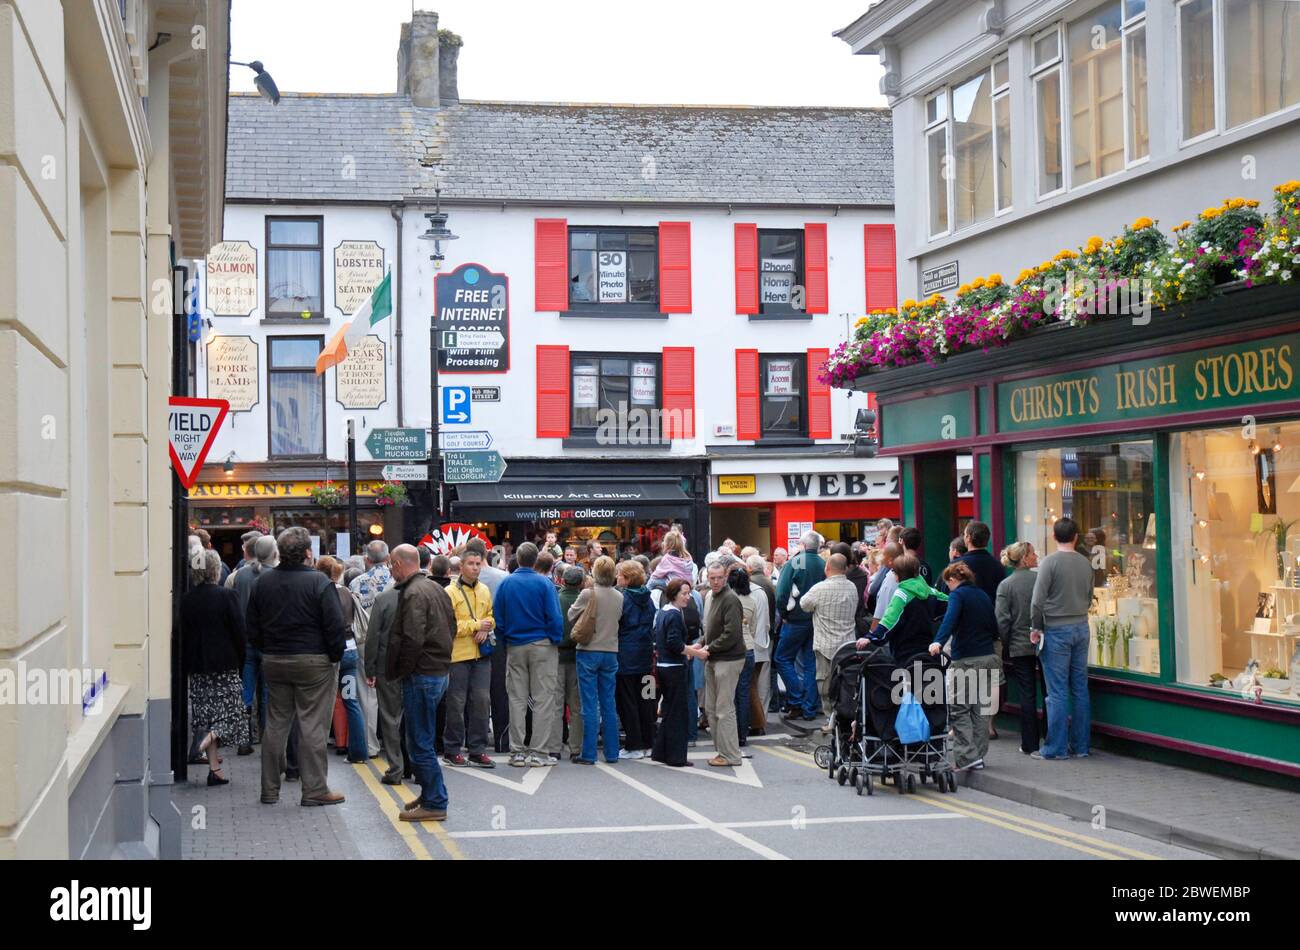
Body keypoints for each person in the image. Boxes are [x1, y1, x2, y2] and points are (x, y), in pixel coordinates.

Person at [246, 526, 348, 807]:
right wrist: (333, 656)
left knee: (276, 724)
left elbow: (251, 628)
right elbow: (334, 626)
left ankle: (269, 790)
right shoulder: (320, 583)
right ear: (307, 553)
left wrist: (266, 649)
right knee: (312, 725)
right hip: (314, 661)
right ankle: (314, 789)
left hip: (275, 659)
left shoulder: (262, 583)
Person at [386, 545, 456, 821]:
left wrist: (402, 670)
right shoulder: (435, 588)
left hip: (422, 673)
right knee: (420, 736)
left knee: (419, 741)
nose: (391, 571)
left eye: (392, 566)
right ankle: (430, 793)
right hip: (437, 670)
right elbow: (451, 626)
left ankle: (436, 801)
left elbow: (412, 638)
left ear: (399, 564)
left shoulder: (413, 593)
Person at [181, 550, 249, 787]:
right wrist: (242, 659)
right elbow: (239, 632)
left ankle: (214, 769)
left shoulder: (187, 600)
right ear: (215, 570)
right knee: (232, 714)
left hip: (198, 668)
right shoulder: (227, 596)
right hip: (225, 665)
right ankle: (204, 743)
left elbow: (183, 636)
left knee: (208, 717)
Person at [494, 542, 564, 767]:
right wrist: (555, 639)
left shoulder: (506, 583)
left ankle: (517, 752)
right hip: (542, 644)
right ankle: (538, 752)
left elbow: (499, 617)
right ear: (535, 561)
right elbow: (554, 617)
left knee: (516, 699)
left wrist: (506, 640)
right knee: (544, 700)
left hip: (515, 645)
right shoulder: (545, 583)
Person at [1030, 518, 1094, 761]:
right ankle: (1081, 746)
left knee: (1056, 692)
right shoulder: (1085, 563)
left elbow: (1037, 601)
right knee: (1080, 688)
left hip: (1056, 629)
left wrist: (1035, 627)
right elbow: (1089, 596)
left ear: (1054, 537)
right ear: (1076, 537)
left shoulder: (1049, 563)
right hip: (1081, 626)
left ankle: (1055, 748)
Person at [929, 562, 1001, 771]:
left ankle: (966, 757)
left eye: (947, 584)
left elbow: (949, 621)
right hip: (988, 656)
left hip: (965, 659)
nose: (948, 588)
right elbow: (993, 626)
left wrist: (938, 642)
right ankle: (977, 755)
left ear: (952, 580)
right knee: (981, 710)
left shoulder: (957, 595)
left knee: (959, 709)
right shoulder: (983, 595)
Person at [568, 556, 624, 764]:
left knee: (589, 703)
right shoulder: (619, 597)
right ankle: (612, 752)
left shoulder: (587, 594)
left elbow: (570, 615)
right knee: (609, 702)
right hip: (611, 651)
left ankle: (589, 753)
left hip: (589, 650)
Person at [444, 546, 496, 768]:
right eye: (471, 564)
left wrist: (486, 627)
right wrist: (477, 625)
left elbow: (491, 617)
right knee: (456, 703)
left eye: (478, 563)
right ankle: (453, 748)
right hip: (458, 656)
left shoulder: (484, 590)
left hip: (481, 655)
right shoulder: (450, 592)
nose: (475, 568)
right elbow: (449, 625)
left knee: (482, 702)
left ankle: (477, 749)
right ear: (461, 566)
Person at [799, 553, 860, 729]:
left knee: (825, 685)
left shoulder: (819, 589)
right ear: (845, 568)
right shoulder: (852, 587)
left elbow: (804, 605)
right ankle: (846, 718)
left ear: (827, 568)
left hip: (825, 644)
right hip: (848, 645)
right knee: (847, 684)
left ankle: (831, 720)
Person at [317, 556, 367, 764]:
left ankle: (318, 752)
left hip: (330, 654)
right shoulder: (347, 592)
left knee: (322, 702)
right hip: (350, 652)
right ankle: (359, 752)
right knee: (351, 701)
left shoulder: (320, 593)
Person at [231, 534, 277, 754]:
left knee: (246, 691)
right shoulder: (274, 577)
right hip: (268, 642)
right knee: (268, 693)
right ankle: (268, 739)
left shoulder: (240, 575)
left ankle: (243, 738)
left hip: (246, 640)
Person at [996, 541, 1043, 755]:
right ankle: (1051, 738)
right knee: (1050, 692)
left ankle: (1030, 743)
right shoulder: (1040, 580)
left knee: (1027, 694)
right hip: (1045, 642)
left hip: (1019, 645)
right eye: (1032, 553)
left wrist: (1006, 643)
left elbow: (1003, 620)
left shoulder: (1006, 586)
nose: (1036, 556)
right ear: (1024, 558)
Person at [651, 579, 705, 767]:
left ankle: (661, 752)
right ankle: (675, 756)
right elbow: (674, 644)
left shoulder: (664, 611)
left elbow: (667, 642)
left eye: (689, 593)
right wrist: (696, 652)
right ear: (674, 594)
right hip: (674, 669)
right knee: (678, 714)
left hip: (665, 667)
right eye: (684, 593)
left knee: (669, 711)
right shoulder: (674, 614)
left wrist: (691, 648)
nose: (688, 597)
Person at [774, 530, 825, 724]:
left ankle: (796, 699)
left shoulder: (797, 561)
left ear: (803, 545)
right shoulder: (822, 563)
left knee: (782, 658)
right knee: (811, 664)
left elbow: (782, 592)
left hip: (795, 620)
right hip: (816, 619)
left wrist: (784, 614)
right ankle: (809, 707)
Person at [858, 553, 947, 662]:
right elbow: (950, 603)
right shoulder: (929, 591)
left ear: (898, 574)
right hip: (928, 649)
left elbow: (889, 620)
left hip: (906, 652)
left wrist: (871, 637)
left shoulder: (902, 595)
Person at [700, 561, 746, 767]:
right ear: (707, 578)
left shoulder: (730, 599)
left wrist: (708, 647)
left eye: (720, 577)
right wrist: (702, 643)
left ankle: (731, 755)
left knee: (723, 709)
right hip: (715, 658)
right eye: (712, 578)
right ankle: (723, 752)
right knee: (711, 708)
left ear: (726, 577)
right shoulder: (711, 596)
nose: (716, 581)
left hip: (728, 659)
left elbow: (732, 634)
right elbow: (712, 628)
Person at [612, 559, 656, 759]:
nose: (617, 577)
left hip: (626, 658)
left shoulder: (622, 599)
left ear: (628, 579)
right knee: (646, 700)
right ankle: (649, 742)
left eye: (620, 574)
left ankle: (634, 744)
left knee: (627, 702)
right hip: (645, 657)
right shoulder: (649, 598)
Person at [363, 577, 405, 785]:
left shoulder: (384, 599)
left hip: (387, 666)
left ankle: (396, 768)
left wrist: (369, 668)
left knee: (390, 717)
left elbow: (373, 637)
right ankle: (415, 765)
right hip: (419, 666)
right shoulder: (428, 594)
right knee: (415, 717)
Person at [551, 566, 586, 761]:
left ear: (562, 580)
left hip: (556, 654)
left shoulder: (556, 599)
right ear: (581, 582)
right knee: (576, 705)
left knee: (556, 704)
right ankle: (575, 747)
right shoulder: (585, 600)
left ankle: (554, 747)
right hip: (578, 654)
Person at [727, 566, 758, 750]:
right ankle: (742, 735)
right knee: (743, 693)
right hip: (749, 649)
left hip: (732, 650)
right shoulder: (752, 601)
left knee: (729, 694)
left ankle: (730, 732)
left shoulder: (728, 600)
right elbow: (752, 627)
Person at [745, 555, 772, 734]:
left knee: (751, 685)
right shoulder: (766, 587)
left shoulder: (753, 591)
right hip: (764, 641)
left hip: (753, 644)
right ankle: (760, 720)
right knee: (760, 684)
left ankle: (757, 723)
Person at [868, 543, 903, 633]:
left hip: (889, 634)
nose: (881, 558)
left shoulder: (891, 579)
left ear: (890, 560)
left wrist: (871, 635)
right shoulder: (908, 573)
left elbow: (880, 612)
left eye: (884, 555)